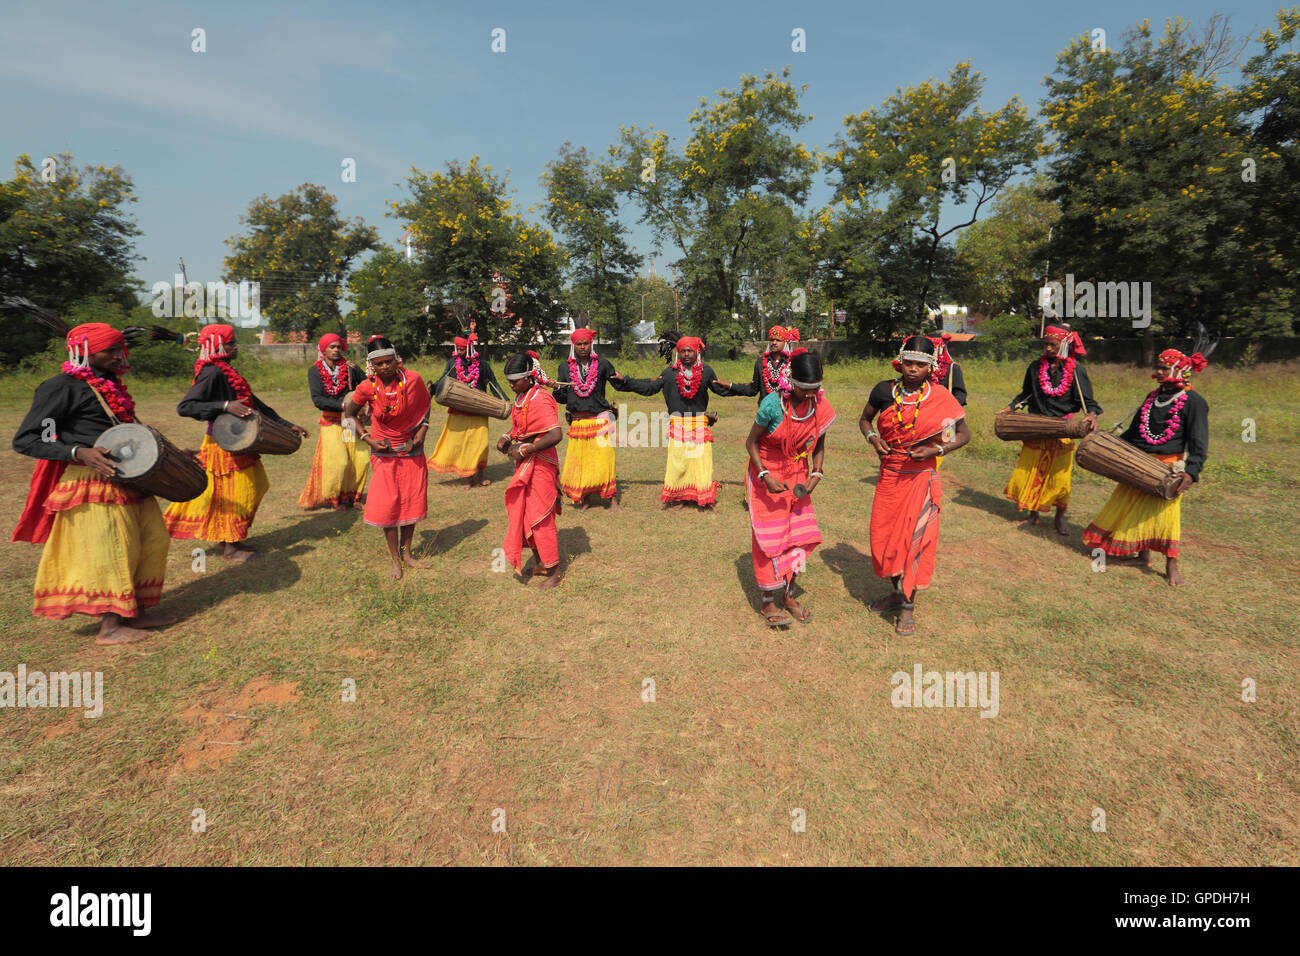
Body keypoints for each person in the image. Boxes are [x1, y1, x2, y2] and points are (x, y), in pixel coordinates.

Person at [11, 323, 176, 644]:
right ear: (85, 351)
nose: (119, 356)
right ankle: (110, 627)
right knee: (114, 549)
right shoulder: (60, 387)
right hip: (92, 481)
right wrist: (78, 451)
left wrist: (165, 454)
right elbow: (28, 439)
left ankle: (136, 612)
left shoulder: (108, 383)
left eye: (120, 349)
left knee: (152, 540)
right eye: (111, 351)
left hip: (130, 477)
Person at [163, 324, 308, 561]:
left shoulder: (225, 370)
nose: (235, 346)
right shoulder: (212, 373)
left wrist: (285, 424)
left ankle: (229, 538)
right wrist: (224, 406)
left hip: (239, 439)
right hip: (223, 442)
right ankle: (231, 547)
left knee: (254, 486)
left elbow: (254, 402)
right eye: (231, 343)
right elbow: (186, 407)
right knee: (239, 492)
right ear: (219, 346)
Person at [860, 335, 971, 636]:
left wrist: (936, 450)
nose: (912, 369)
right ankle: (897, 592)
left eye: (920, 365)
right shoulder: (884, 390)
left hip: (921, 476)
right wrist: (873, 438)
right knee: (883, 540)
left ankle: (908, 606)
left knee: (915, 541)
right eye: (908, 363)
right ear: (900, 361)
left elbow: (961, 434)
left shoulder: (939, 397)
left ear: (931, 367)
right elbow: (865, 420)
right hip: (889, 475)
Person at [1082, 349, 1209, 587]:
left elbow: (1199, 442)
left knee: (1164, 516)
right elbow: (1135, 432)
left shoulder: (1194, 402)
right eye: (1157, 367)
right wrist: (1109, 444)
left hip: (1168, 469)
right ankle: (1143, 556)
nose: (1157, 373)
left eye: (1163, 368)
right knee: (1130, 504)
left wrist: (1191, 472)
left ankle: (1172, 566)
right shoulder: (1152, 397)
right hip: (1138, 462)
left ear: (1180, 371)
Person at [744, 349, 836, 626]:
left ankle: (788, 594)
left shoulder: (819, 405)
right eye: (803, 388)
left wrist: (817, 474)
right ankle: (769, 603)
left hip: (798, 474)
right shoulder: (772, 405)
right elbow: (751, 442)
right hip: (767, 474)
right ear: (789, 380)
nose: (810, 394)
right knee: (769, 540)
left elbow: (819, 443)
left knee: (797, 536)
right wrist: (764, 475)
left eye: (815, 388)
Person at [614, 332, 751, 508]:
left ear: (696, 352)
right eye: (683, 351)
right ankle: (680, 497)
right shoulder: (670, 373)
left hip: (699, 423)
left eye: (690, 351)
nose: (686, 354)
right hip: (678, 424)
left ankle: (702, 497)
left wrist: (747, 388)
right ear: (678, 352)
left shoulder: (706, 371)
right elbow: (649, 387)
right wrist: (625, 380)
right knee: (678, 462)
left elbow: (722, 388)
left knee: (701, 461)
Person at [343, 336, 432, 579]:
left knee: (410, 501)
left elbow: (426, 407)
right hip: (384, 453)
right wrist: (367, 439)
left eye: (389, 362)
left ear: (396, 359)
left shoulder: (412, 379)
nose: (385, 367)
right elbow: (349, 416)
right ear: (372, 365)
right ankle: (395, 560)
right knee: (388, 505)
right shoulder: (366, 387)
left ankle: (407, 555)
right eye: (380, 363)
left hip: (412, 449)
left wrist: (422, 432)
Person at [998, 325, 1101, 534]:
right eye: (1046, 344)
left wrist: (1091, 415)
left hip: (1064, 429)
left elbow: (1088, 401)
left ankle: (1059, 518)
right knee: (1031, 470)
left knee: (1059, 477)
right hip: (1036, 426)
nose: (1048, 348)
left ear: (1063, 346)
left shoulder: (1077, 370)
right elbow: (1026, 394)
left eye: (1053, 345)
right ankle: (1033, 515)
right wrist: (1009, 408)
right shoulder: (1035, 367)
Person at [497, 352, 564, 588]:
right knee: (526, 515)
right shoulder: (523, 397)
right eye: (509, 381)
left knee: (541, 517)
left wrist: (526, 450)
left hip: (542, 464)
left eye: (515, 381)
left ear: (530, 376)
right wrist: (507, 437)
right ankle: (542, 563)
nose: (511, 385)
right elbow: (521, 427)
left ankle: (554, 572)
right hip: (525, 465)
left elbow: (556, 434)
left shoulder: (541, 398)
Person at [554, 327, 630, 510]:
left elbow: (618, 384)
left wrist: (625, 380)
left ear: (591, 344)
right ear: (573, 345)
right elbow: (563, 397)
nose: (582, 347)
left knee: (604, 460)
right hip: (579, 423)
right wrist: (556, 389)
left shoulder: (603, 364)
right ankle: (586, 498)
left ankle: (612, 499)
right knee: (583, 461)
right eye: (579, 344)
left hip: (599, 419)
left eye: (585, 343)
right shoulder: (564, 367)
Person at [298, 332, 370, 511]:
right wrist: (343, 405)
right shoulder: (315, 371)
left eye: (339, 347)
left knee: (361, 460)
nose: (337, 350)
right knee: (339, 462)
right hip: (331, 421)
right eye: (332, 347)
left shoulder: (350, 367)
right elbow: (318, 400)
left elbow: (367, 385)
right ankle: (335, 499)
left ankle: (353, 497)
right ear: (323, 349)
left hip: (351, 421)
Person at [428, 333, 507, 488]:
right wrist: (431, 389)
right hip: (459, 410)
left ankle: (480, 475)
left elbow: (492, 383)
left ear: (470, 348)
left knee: (480, 444)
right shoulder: (452, 363)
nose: (459, 352)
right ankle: (468, 477)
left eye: (462, 349)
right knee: (462, 444)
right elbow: (443, 380)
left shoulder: (483, 365)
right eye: (457, 349)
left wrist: (504, 400)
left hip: (479, 410)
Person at [750, 325, 792, 401]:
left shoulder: (792, 363)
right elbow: (753, 389)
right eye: (772, 340)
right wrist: (729, 385)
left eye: (778, 340)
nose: (774, 343)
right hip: (765, 409)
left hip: (786, 409)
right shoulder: (760, 362)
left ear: (785, 343)